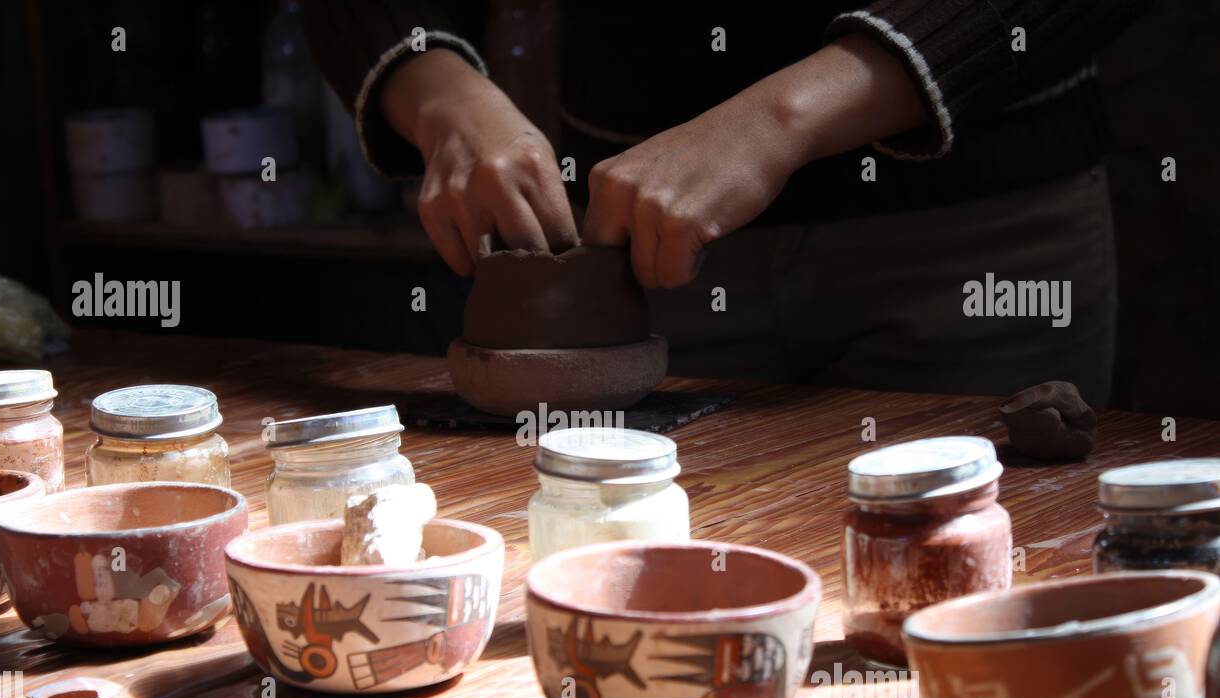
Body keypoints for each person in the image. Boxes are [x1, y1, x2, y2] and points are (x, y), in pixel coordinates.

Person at [306, 1, 1148, 403]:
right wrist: (436, 88)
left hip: (977, 242)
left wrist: (778, 120)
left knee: (961, 599)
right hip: (640, 255)